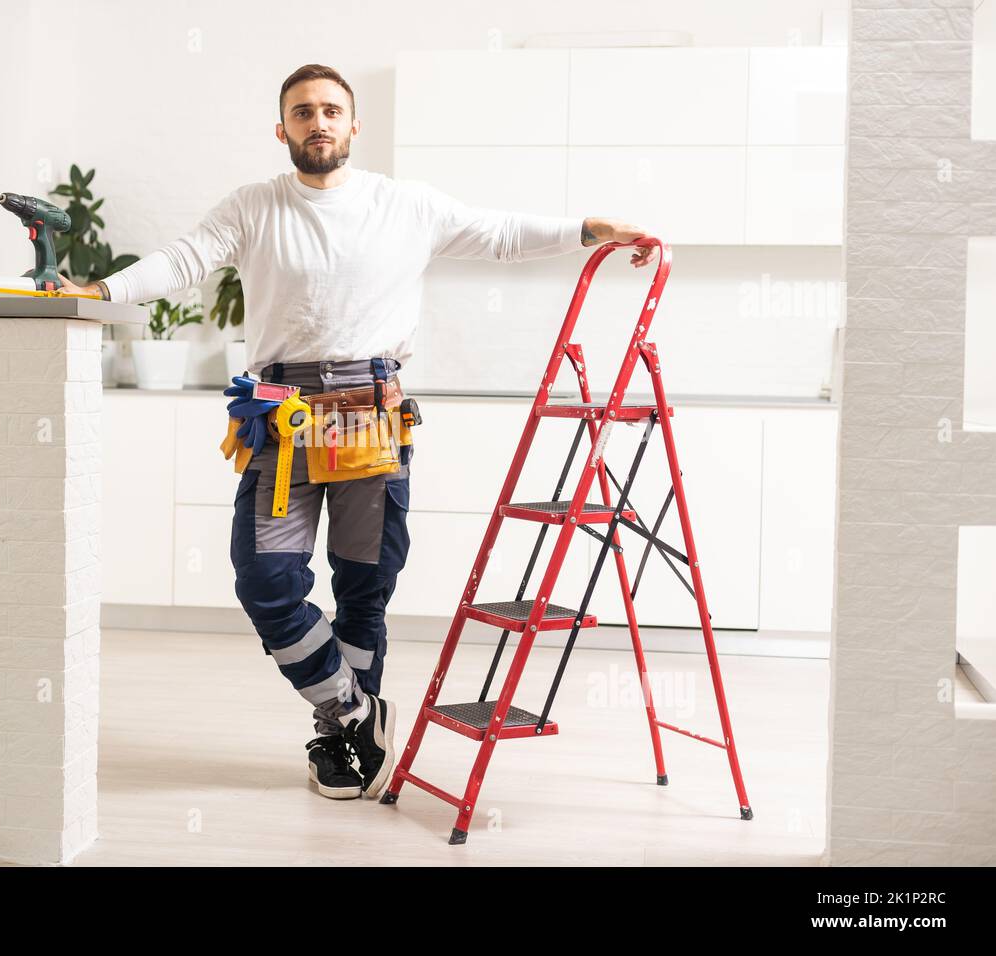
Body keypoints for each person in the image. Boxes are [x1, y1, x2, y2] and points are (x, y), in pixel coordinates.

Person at [62, 63, 652, 802]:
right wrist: (103, 290)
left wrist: (588, 229)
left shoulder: (402, 205)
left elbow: (499, 235)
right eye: (303, 111)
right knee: (267, 582)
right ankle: (353, 709)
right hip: (282, 421)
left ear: (352, 124)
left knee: (363, 589)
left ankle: (343, 748)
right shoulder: (254, 207)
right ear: (282, 129)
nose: (318, 121)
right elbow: (182, 261)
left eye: (331, 110)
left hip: (372, 419)